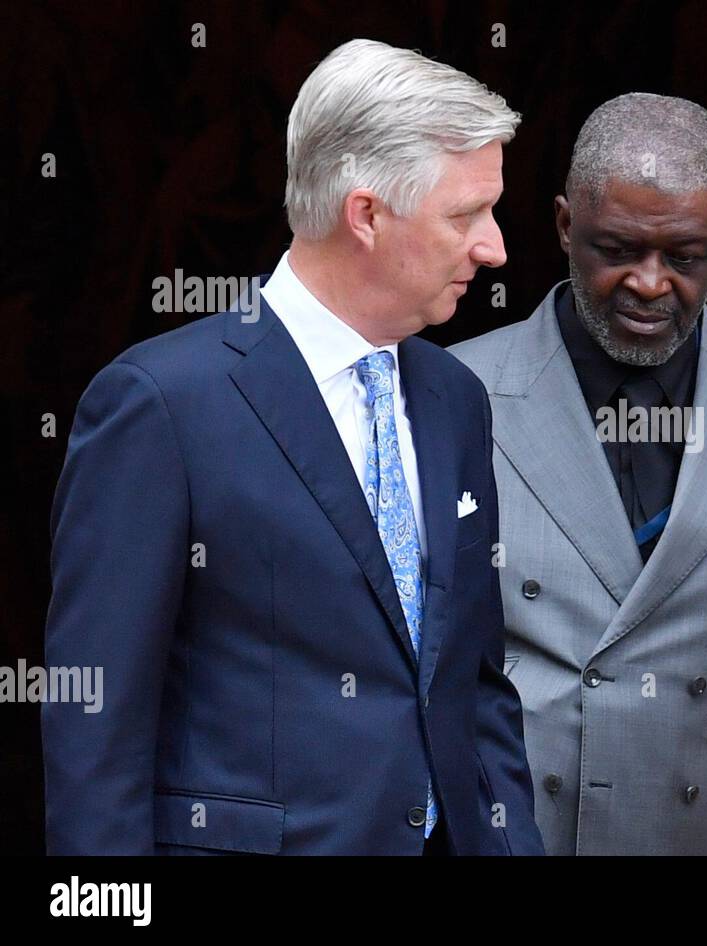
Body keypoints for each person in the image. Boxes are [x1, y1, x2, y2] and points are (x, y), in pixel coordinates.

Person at [43, 38, 543, 855]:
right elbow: (95, 722)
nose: (494, 249)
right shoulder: (162, 406)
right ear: (367, 214)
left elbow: (475, 687)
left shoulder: (456, 399)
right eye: (466, 214)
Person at [451, 93, 707, 854]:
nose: (651, 283)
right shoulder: (450, 394)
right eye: (618, 249)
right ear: (565, 226)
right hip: (509, 826)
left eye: (686, 257)